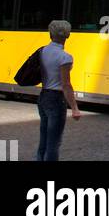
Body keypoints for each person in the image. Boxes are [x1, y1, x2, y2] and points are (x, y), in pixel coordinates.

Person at [36, 19, 81, 161]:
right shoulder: (64, 57)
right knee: (54, 143)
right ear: (67, 35)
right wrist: (74, 108)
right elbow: (66, 84)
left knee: (44, 139)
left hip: (43, 96)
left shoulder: (42, 51)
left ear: (50, 33)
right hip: (56, 99)